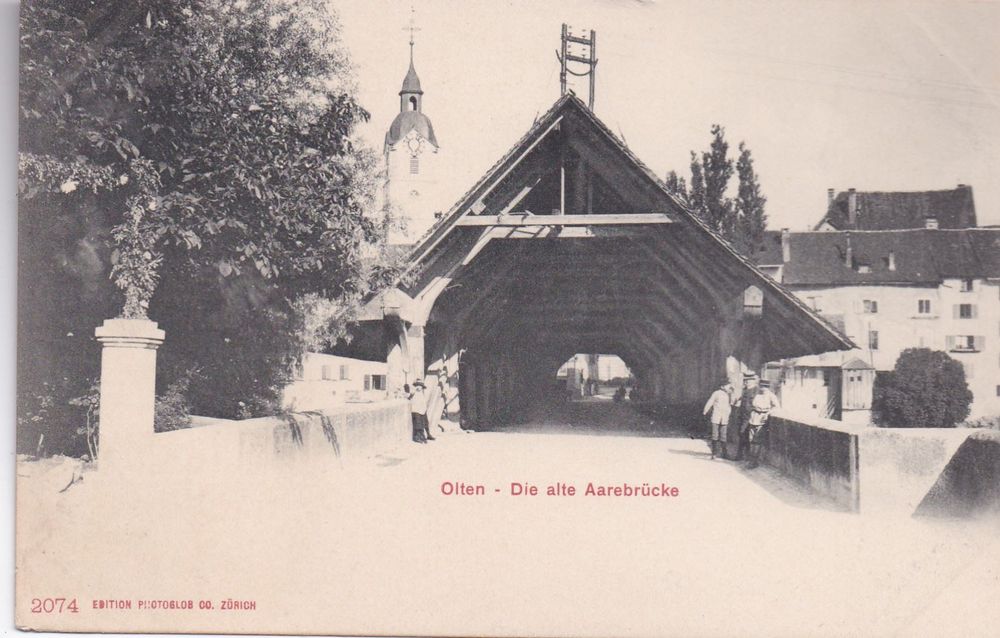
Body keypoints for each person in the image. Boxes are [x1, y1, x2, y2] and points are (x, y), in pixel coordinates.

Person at [745, 379, 780, 468]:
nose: (763, 388)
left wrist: (767, 413)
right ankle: (751, 459)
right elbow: (750, 404)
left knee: (757, 441)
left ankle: (754, 461)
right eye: (761, 386)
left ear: (768, 387)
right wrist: (752, 409)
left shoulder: (771, 396)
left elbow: (777, 407)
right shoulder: (757, 395)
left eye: (765, 387)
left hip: (762, 419)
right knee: (751, 440)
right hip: (753, 418)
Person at [702, 381, 735, 460]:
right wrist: (705, 411)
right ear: (722, 386)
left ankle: (724, 453)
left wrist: (732, 394)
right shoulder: (716, 393)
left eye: (729, 386)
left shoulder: (729, 394)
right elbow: (710, 402)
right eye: (727, 386)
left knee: (723, 436)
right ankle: (714, 453)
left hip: (724, 417)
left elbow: (732, 403)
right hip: (716, 417)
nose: (728, 387)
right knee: (715, 435)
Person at [736, 372, 759, 460]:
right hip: (742, 416)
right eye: (745, 380)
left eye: (748, 380)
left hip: (750, 417)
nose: (746, 382)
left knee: (746, 435)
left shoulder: (756, 390)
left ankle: (743, 455)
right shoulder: (745, 390)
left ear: (753, 381)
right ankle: (743, 455)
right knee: (742, 434)